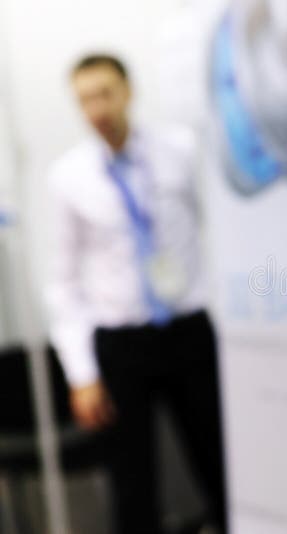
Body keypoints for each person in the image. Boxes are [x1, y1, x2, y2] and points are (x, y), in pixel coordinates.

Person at [45, 54, 227, 534]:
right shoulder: (69, 176)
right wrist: (82, 374)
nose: (97, 108)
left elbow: (218, 231)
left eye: (104, 93)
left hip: (188, 331)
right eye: (84, 99)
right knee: (131, 485)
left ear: (128, 91)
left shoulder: (180, 151)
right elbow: (62, 282)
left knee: (220, 463)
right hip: (120, 344)